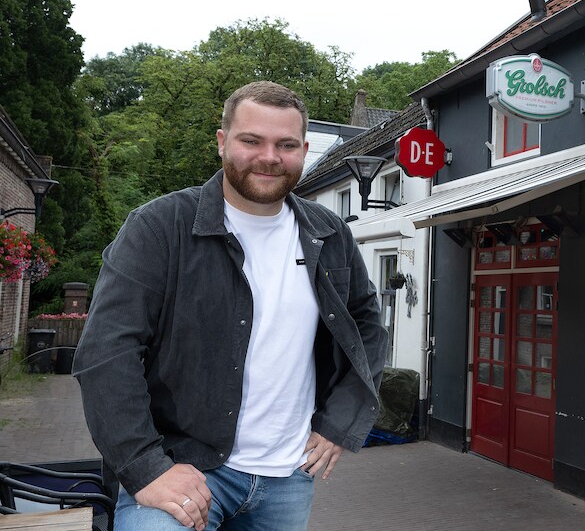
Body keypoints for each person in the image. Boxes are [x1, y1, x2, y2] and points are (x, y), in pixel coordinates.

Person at [74, 81, 387, 531]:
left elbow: (367, 328)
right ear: (222, 142)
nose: (269, 156)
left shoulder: (330, 234)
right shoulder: (160, 228)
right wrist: (145, 468)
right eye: (251, 140)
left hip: (288, 479)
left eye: (287, 144)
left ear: (303, 149)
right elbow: (106, 354)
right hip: (182, 470)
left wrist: (340, 424)